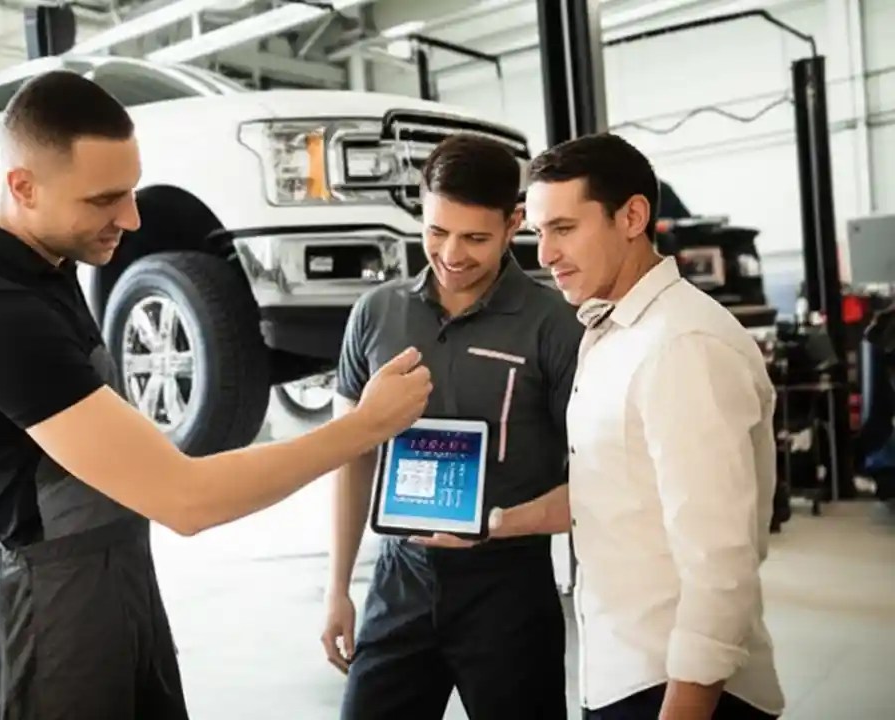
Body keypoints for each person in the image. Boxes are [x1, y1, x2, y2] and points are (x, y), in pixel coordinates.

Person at [0, 71, 433, 719]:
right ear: (22, 186)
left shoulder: (49, 268)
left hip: (116, 575)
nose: (130, 219)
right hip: (54, 610)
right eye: (105, 199)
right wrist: (362, 427)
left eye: (130, 191)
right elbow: (187, 498)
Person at [320, 133, 583, 720]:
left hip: (509, 589)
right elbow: (352, 455)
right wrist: (338, 585)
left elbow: (602, 475)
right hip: (399, 580)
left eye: (475, 238)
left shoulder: (555, 325)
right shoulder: (376, 314)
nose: (452, 254)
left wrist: (504, 524)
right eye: (436, 232)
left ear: (515, 223)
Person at [523, 132, 786, 720]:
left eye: (563, 228)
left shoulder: (680, 346)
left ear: (632, 216)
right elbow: (616, 488)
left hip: (682, 687)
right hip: (626, 672)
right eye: (538, 232)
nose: (544, 254)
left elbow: (721, 560)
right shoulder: (618, 332)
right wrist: (497, 523)